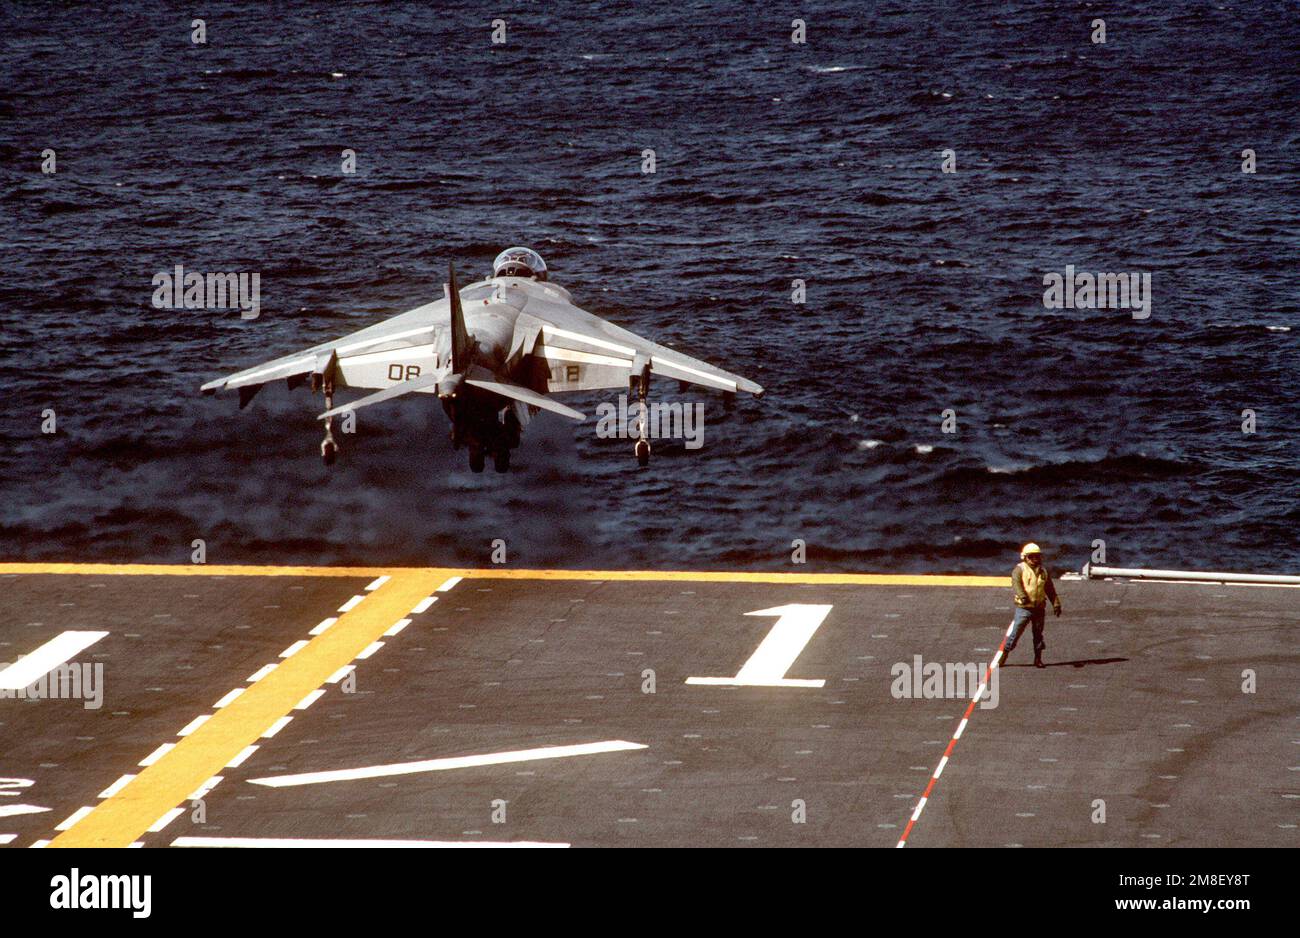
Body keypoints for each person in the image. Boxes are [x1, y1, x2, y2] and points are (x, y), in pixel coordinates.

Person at [1003, 543, 1061, 668]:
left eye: (1037, 556)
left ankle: (1038, 659)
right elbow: (1016, 583)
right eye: (1032, 556)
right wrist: (1022, 596)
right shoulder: (1020, 569)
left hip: (1039, 608)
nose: (1035, 559)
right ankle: (1004, 654)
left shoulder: (1043, 571)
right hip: (1024, 608)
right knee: (1016, 632)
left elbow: (1049, 589)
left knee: (1038, 634)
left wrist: (1056, 603)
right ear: (1025, 557)